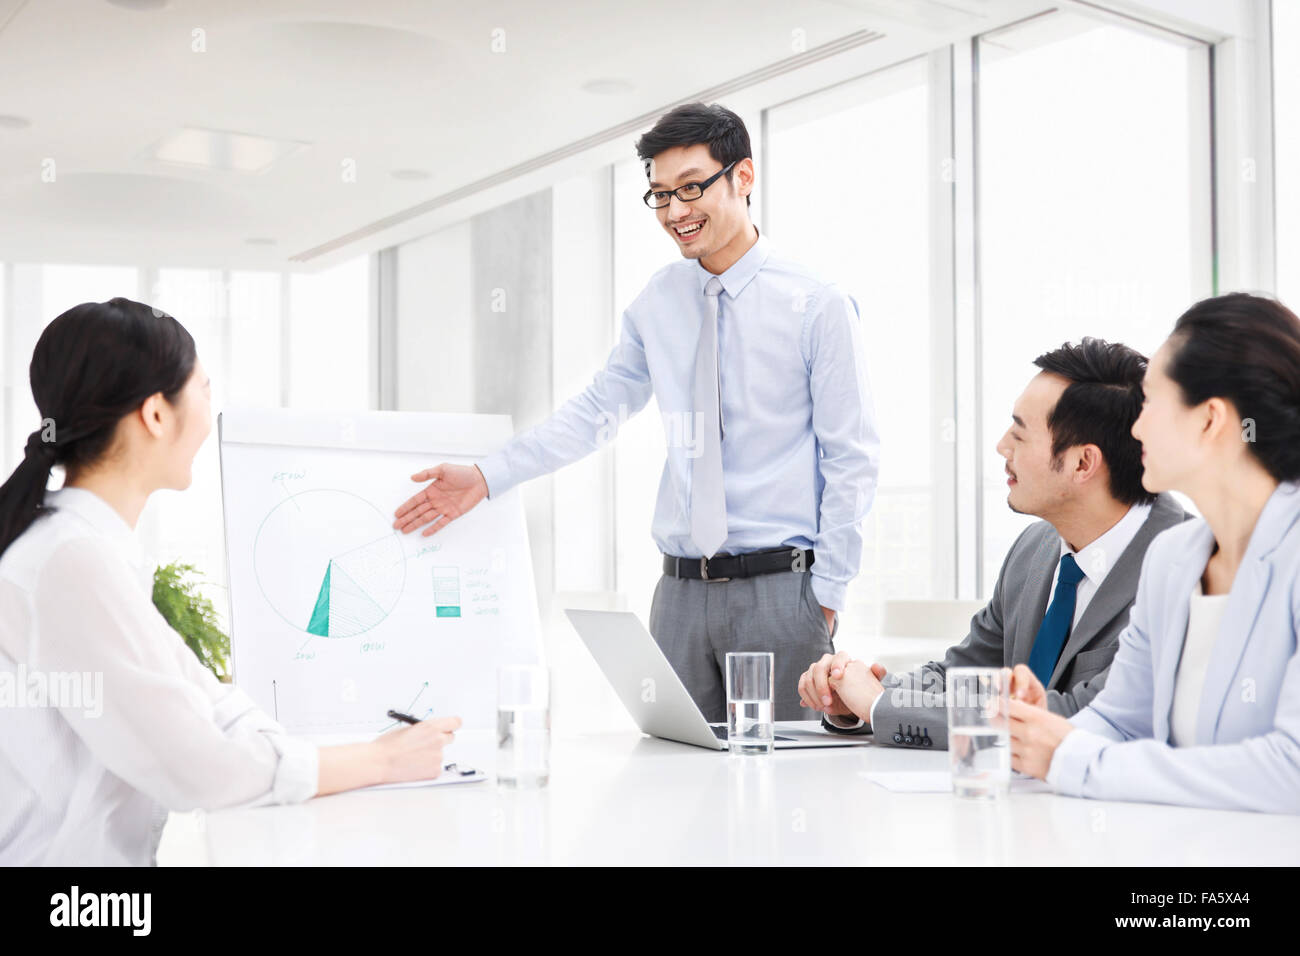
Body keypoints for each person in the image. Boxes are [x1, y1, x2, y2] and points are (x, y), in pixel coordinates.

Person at [392, 103, 880, 722]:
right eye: (660, 195)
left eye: (692, 188)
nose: (676, 212)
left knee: (782, 791)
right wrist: (490, 475)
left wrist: (827, 597)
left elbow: (852, 458)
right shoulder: (659, 302)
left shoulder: (816, 304)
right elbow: (597, 410)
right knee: (674, 789)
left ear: (745, 177)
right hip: (676, 596)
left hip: (781, 592)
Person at [0, 299, 461, 866]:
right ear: (157, 415)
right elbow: (195, 768)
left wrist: (353, 754)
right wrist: (380, 762)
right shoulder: (67, 563)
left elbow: (211, 703)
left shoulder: (83, 551)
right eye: (204, 389)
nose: (210, 410)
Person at [798, 338, 1188, 747]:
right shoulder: (1035, 549)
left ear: (1082, 463)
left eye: (1019, 436)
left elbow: (1082, 716)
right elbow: (962, 677)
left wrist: (879, 705)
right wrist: (854, 695)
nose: (1002, 447)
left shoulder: (1185, 564)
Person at [1009, 293, 1300, 814]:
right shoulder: (1173, 558)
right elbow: (1121, 720)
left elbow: (1291, 770)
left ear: (1210, 420)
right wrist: (1045, 734)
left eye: (1152, 403)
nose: (1135, 426)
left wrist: (1072, 758)